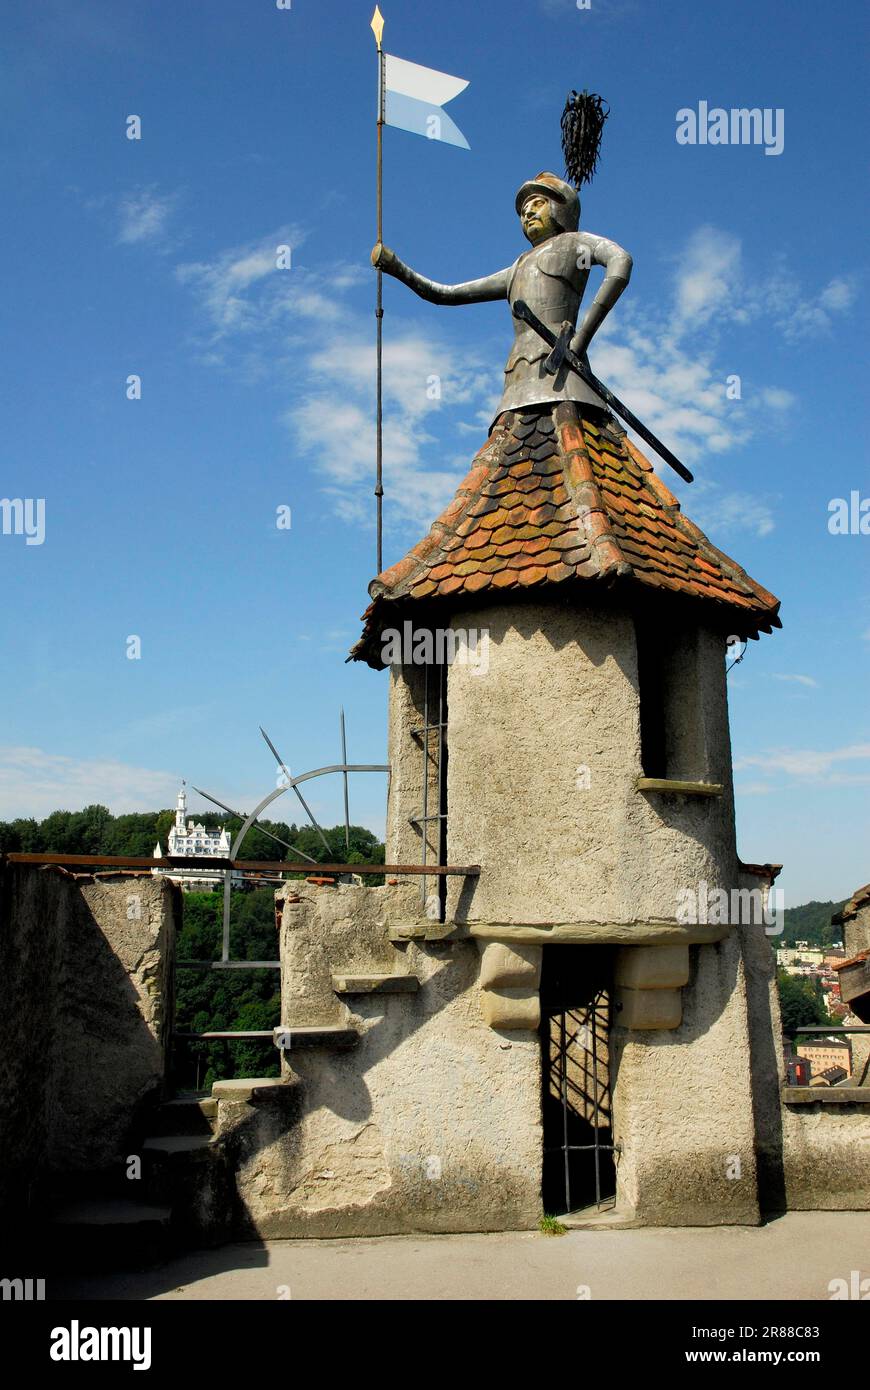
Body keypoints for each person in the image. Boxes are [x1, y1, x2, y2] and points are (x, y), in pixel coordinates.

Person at [371, 170, 632, 421]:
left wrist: (581, 338)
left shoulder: (575, 243)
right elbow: (445, 294)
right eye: (522, 210)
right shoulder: (517, 267)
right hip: (518, 379)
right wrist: (397, 268)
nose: (527, 213)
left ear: (561, 208)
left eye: (538, 203)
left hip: (566, 376)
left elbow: (620, 262)